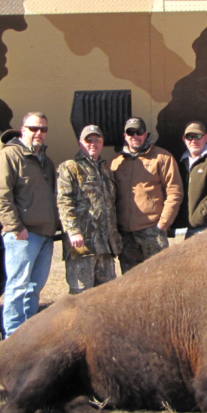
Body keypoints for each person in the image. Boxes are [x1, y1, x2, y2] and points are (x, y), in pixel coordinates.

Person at [0, 112, 59, 338]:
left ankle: (28, 336)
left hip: (45, 234)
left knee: (34, 288)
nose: (39, 133)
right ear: (23, 129)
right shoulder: (10, 156)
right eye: (34, 128)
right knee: (18, 287)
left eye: (43, 129)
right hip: (23, 235)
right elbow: (0, 194)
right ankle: (12, 336)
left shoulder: (46, 162)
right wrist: (15, 227)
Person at [111, 117, 184, 272]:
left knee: (159, 278)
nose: (135, 136)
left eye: (139, 132)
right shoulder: (117, 162)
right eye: (130, 132)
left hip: (152, 231)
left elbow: (175, 192)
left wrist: (163, 223)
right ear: (125, 136)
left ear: (146, 134)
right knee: (131, 282)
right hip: (126, 233)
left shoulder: (163, 158)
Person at [56, 125, 121, 295]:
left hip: (105, 247)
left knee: (106, 297)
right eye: (88, 140)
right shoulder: (70, 167)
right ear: (80, 143)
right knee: (81, 298)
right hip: (83, 246)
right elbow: (64, 201)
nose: (93, 143)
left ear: (102, 143)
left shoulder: (106, 169)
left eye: (97, 140)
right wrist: (73, 231)